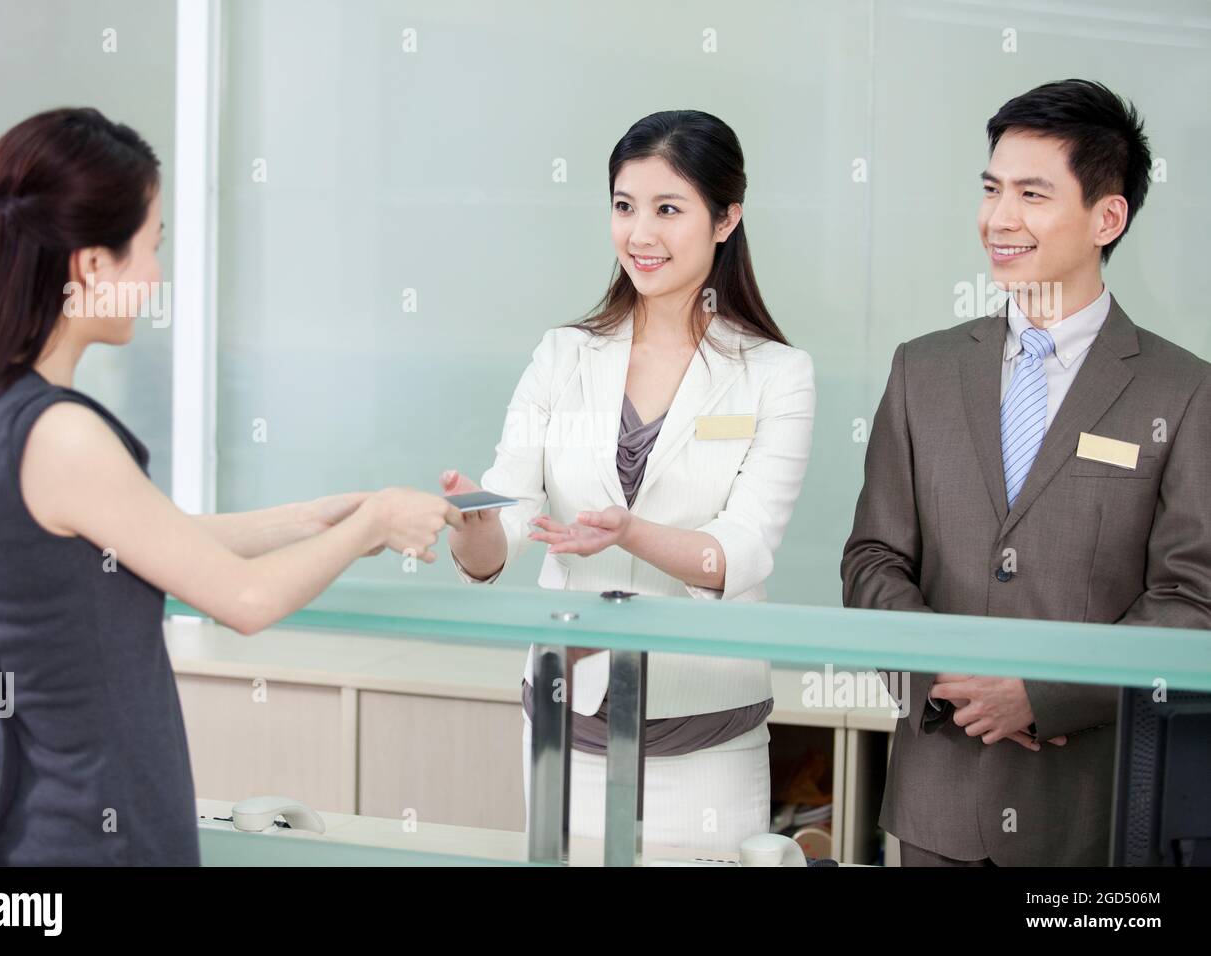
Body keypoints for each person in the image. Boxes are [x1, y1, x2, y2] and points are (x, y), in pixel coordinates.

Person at [0, 108, 462, 865]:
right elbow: (243, 601)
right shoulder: (61, 435)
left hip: (38, 836)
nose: (156, 276)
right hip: (98, 836)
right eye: (151, 246)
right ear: (92, 265)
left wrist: (317, 518)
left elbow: (140, 545)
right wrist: (374, 526)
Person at [842, 79, 1211, 866]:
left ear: (1106, 217)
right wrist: (942, 674)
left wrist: (1044, 694)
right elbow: (872, 559)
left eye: (1032, 194)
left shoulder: (1184, 392)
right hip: (936, 810)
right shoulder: (924, 370)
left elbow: (1190, 600)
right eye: (991, 189)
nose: (998, 219)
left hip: (1091, 819)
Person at [442, 110, 816, 852]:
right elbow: (506, 521)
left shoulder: (778, 374)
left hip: (706, 735)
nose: (639, 234)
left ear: (726, 218)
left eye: (668, 209)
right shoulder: (564, 356)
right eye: (624, 206)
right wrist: (475, 523)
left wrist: (633, 533)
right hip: (566, 718)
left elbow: (742, 553)